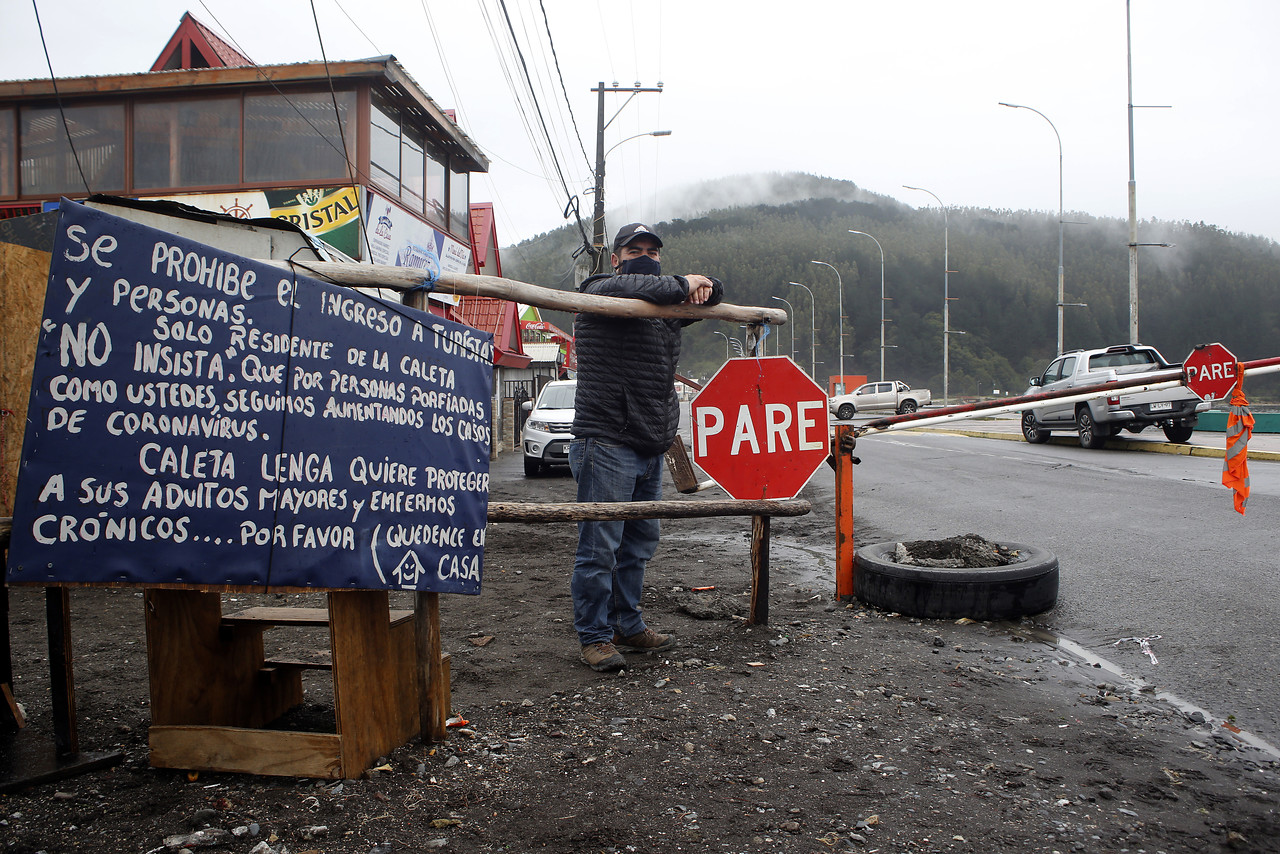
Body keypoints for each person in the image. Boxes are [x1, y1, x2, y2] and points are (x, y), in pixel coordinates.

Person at [569, 223, 724, 672]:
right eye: (633, 250)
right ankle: (595, 637)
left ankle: (628, 626)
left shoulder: (664, 308)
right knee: (599, 548)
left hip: (650, 445)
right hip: (606, 442)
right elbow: (627, 284)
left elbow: (716, 293)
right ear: (615, 257)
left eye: (652, 252)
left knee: (638, 545)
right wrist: (683, 284)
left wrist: (704, 285)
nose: (644, 256)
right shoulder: (598, 291)